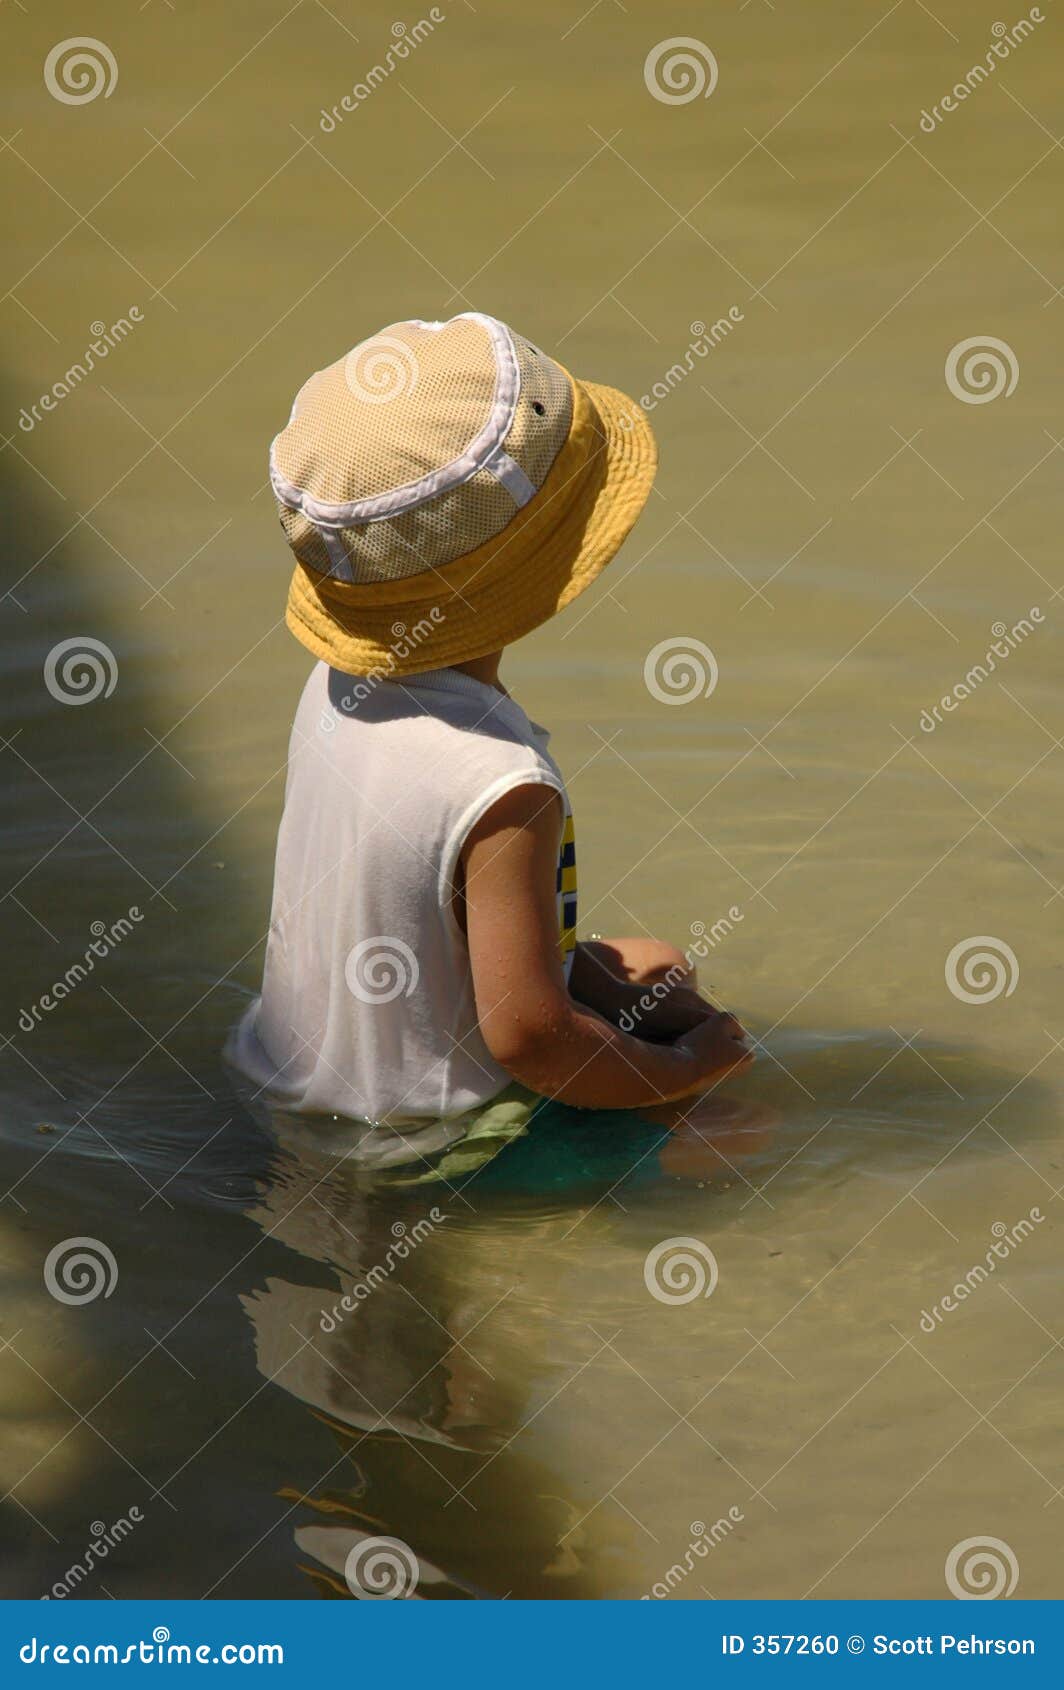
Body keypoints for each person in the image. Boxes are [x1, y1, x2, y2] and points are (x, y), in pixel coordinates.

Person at [227, 311, 752, 1155]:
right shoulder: (504, 788)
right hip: (430, 1145)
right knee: (729, 1117)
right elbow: (532, 1042)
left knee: (656, 965)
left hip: (284, 1074)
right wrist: (687, 1067)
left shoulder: (338, 684)